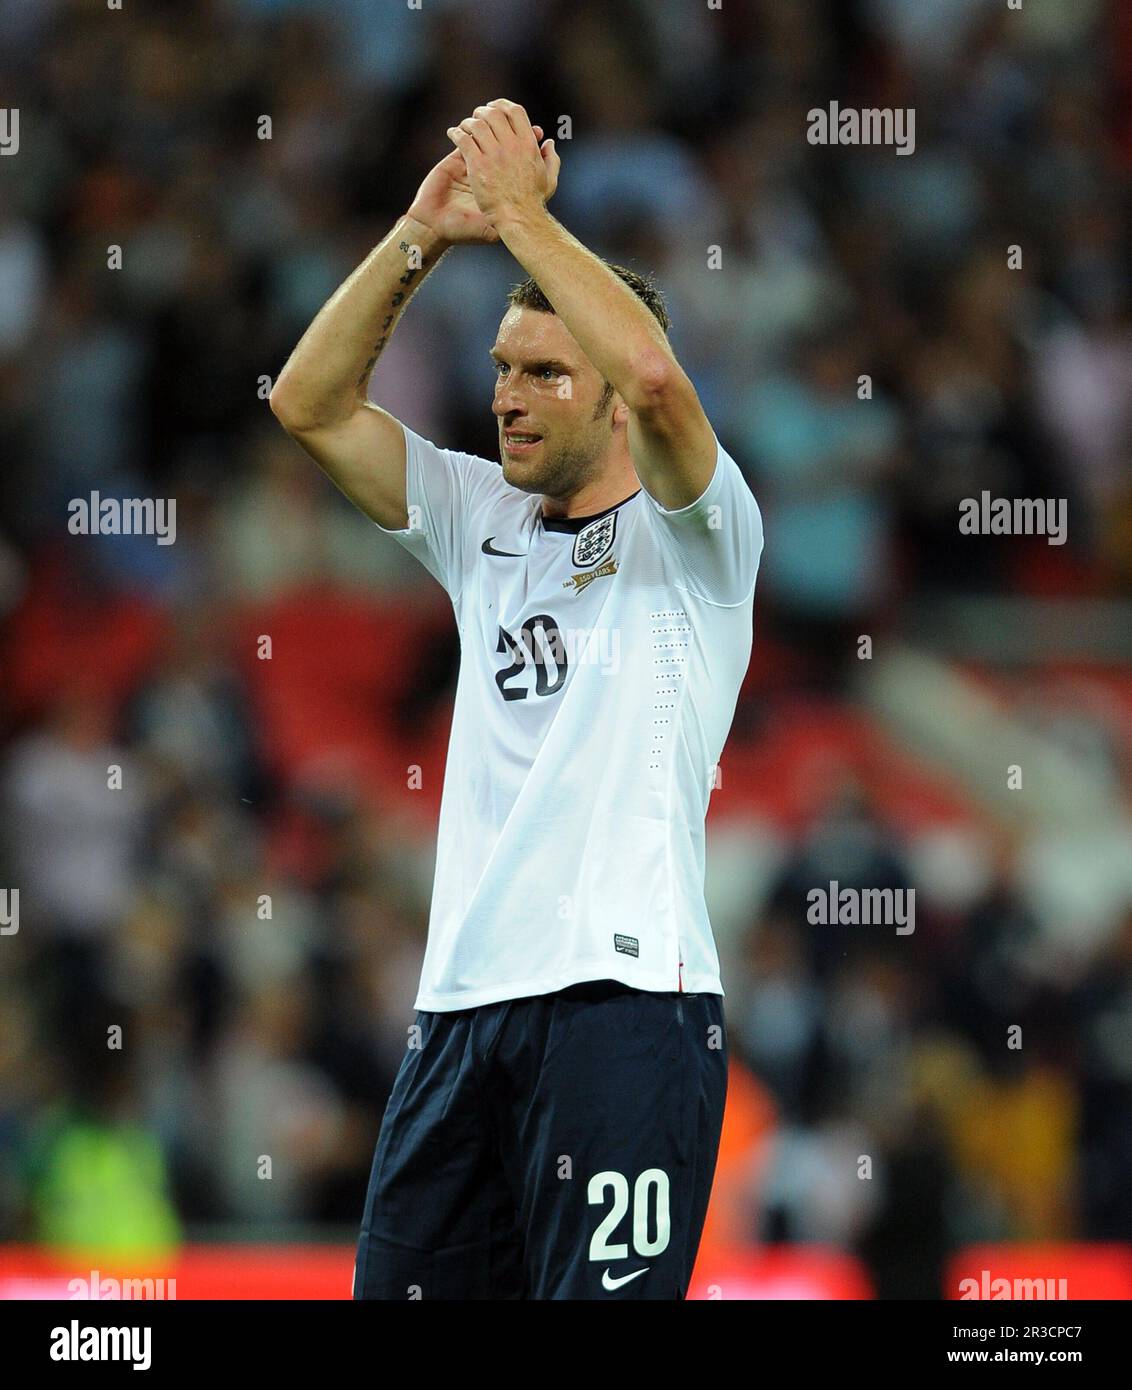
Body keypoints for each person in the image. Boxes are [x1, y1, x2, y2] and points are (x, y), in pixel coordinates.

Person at [269, 99, 763, 1299]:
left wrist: (528, 218)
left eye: (547, 373)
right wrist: (423, 234)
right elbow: (308, 403)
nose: (511, 398)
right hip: (459, 1011)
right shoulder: (477, 516)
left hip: (625, 1007)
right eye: (501, 371)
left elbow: (650, 371)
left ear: (601, 401)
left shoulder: (700, 534)